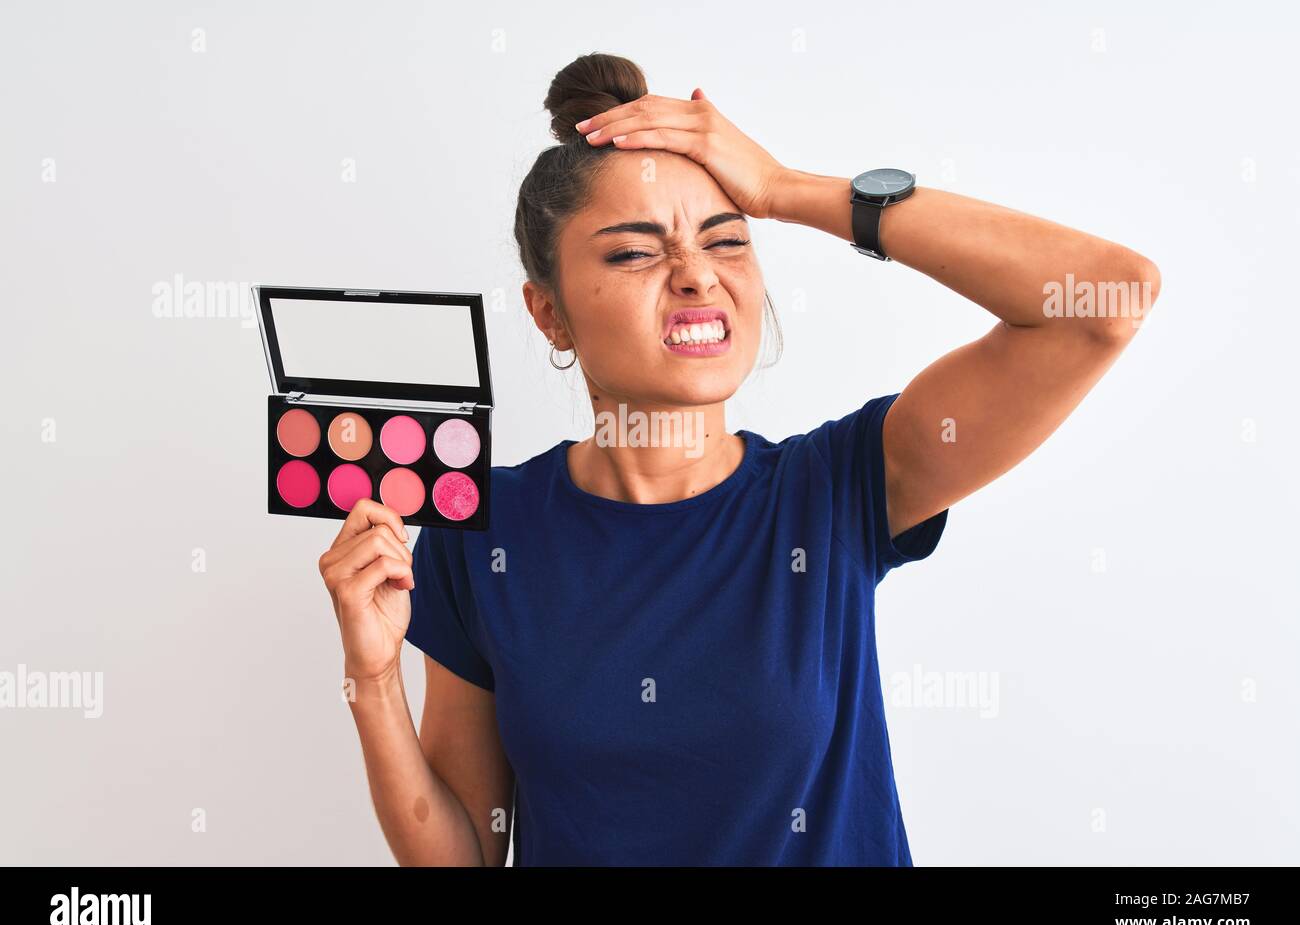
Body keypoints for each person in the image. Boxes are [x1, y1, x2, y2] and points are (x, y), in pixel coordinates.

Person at [317, 53, 1160, 866]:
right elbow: (462, 853)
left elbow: (1106, 300)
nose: (696, 276)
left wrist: (787, 189)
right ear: (550, 314)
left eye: (726, 241)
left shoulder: (838, 490)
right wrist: (373, 673)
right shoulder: (481, 529)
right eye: (636, 252)